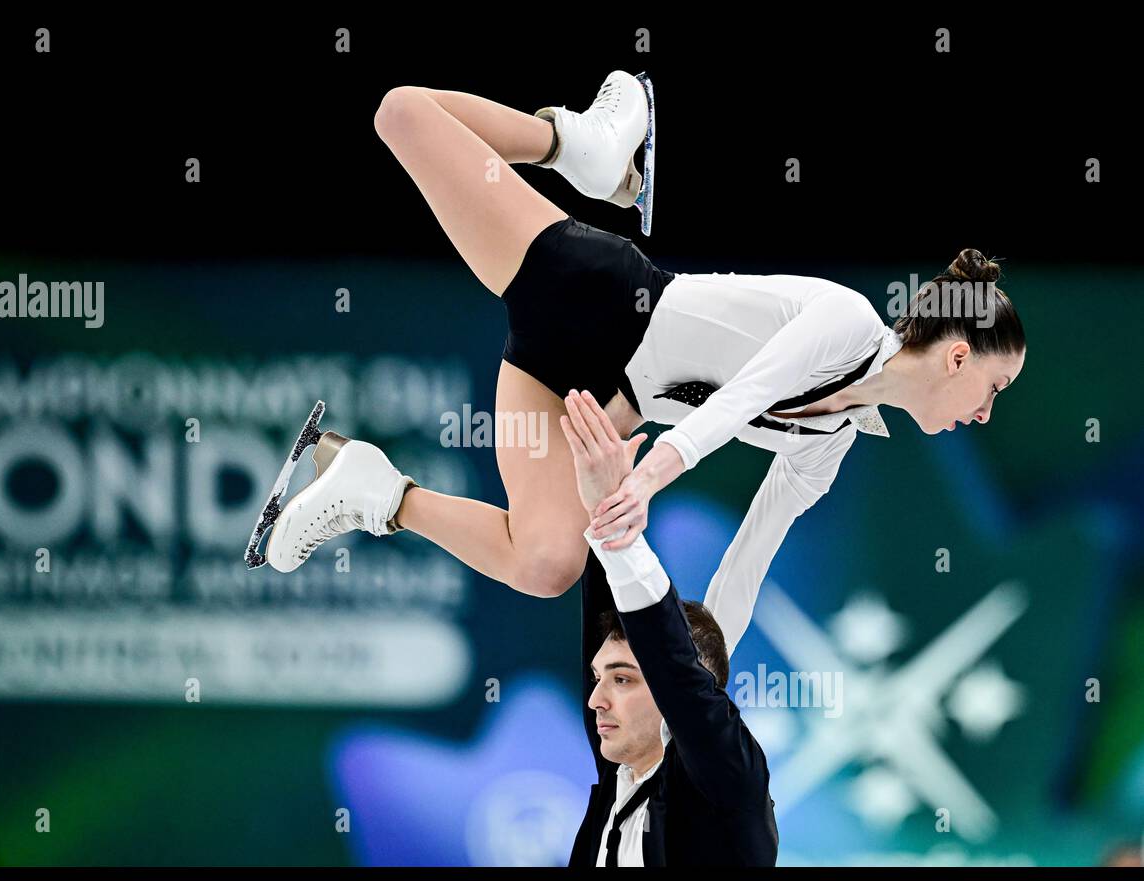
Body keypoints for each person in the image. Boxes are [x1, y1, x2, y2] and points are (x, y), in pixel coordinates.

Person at [260, 69, 1027, 656]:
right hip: (592, 293)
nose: (986, 413)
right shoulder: (847, 321)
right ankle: (576, 146)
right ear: (957, 354)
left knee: (547, 563)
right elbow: (742, 399)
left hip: (591, 396)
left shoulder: (829, 444)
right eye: (993, 388)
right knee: (402, 114)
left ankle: (374, 490)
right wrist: (653, 476)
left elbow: (746, 563)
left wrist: (701, 690)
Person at [563, 387, 777, 865]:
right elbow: (612, 604)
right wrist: (605, 498)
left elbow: (673, 666)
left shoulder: (726, 788)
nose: (596, 699)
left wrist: (616, 524)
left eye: (622, 680)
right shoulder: (622, 775)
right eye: (601, 679)